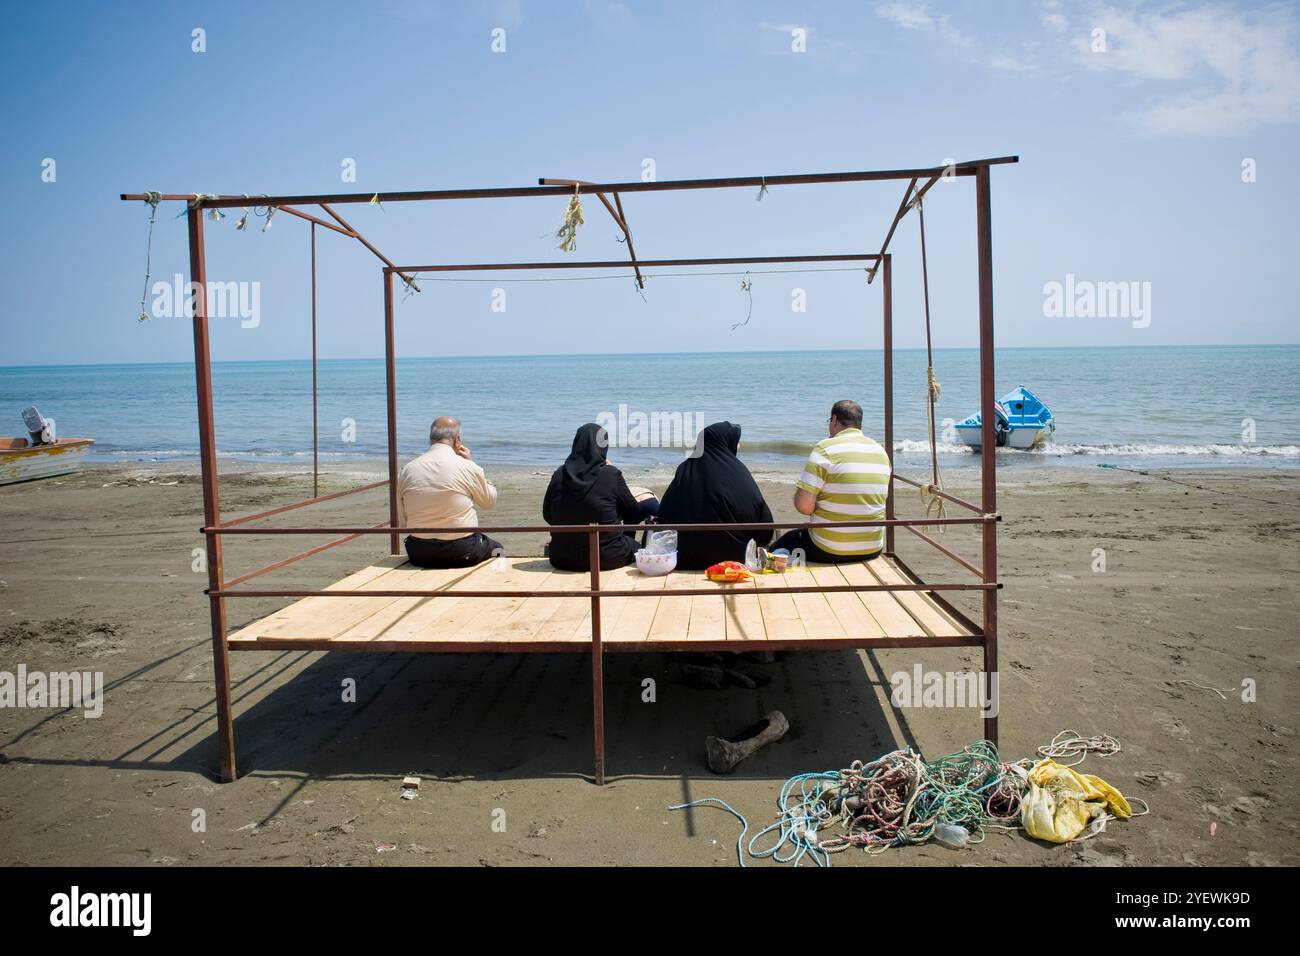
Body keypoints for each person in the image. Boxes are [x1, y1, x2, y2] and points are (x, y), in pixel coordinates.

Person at [772, 399, 891, 564]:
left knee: (784, 543)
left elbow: (803, 506)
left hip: (829, 548)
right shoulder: (880, 451)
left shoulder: (825, 449)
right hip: (872, 548)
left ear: (834, 420)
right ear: (858, 424)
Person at [656, 421, 773, 570]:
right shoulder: (737, 473)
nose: (739, 446)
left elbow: (664, 514)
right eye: (736, 442)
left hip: (683, 558)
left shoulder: (685, 469)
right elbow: (764, 525)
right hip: (733, 558)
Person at [543, 423, 658, 571]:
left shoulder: (559, 474)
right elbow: (632, 513)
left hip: (562, 558)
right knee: (647, 512)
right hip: (607, 558)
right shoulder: (610, 474)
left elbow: (547, 515)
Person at [397, 416, 503, 568]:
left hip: (419, 552)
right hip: (461, 551)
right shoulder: (467, 467)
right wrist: (472, 464)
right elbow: (489, 502)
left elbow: (402, 522)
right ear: (457, 439)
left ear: (431, 439)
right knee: (498, 549)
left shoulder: (408, 469)